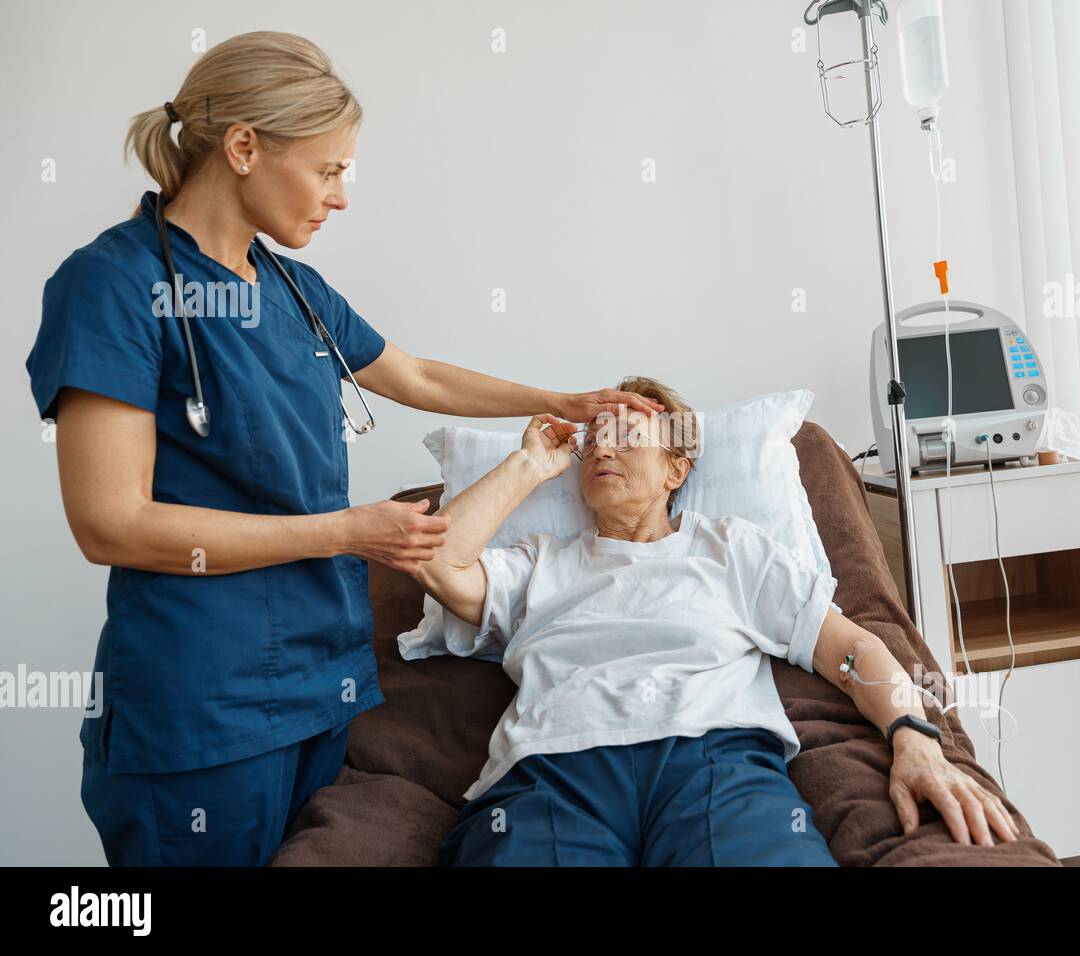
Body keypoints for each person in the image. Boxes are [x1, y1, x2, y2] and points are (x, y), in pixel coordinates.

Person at [25, 30, 663, 866]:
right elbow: (110, 523)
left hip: (319, 687)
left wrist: (554, 400)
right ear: (244, 148)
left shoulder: (292, 285)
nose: (341, 197)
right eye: (328, 171)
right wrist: (346, 532)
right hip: (202, 706)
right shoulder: (114, 285)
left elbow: (420, 378)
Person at [417, 376, 1022, 865]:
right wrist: (525, 466)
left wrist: (914, 737)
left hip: (714, 763)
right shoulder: (541, 561)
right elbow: (440, 561)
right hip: (555, 769)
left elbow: (851, 651)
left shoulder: (733, 550)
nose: (602, 446)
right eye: (594, 438)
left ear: (676, 470)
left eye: (629, 435)